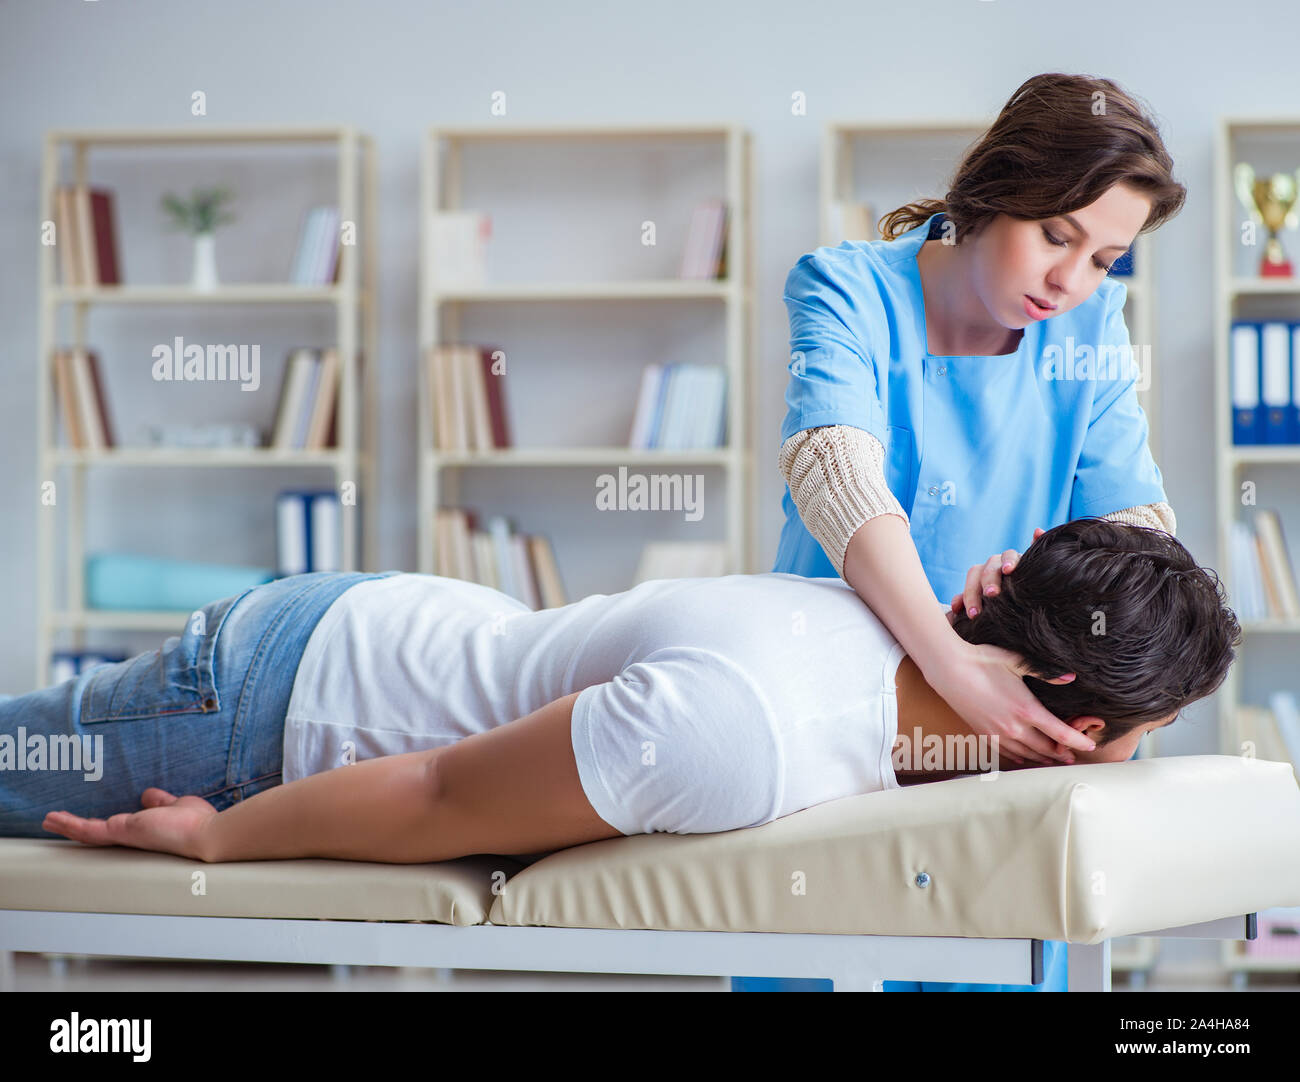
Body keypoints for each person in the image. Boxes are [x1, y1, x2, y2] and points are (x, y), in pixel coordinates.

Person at [4, 519, 1238, 871]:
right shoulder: (744, 730)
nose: (1128, 764)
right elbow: (438, 794)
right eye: (1138, 736)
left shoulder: (900, 627)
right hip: (273, 707)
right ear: (1073, 729)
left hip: (368, 620)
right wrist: (219, 830)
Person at [759, 71, 1188, 992]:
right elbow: (832, 466)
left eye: (1104, 259)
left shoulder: (1093, 324)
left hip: (999, 733)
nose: (1071, 281)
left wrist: (1055, 573)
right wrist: (952, 668)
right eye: (1056, 235)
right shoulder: (846, 288)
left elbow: (1133, 516)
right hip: (837, 703)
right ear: (992, 193)